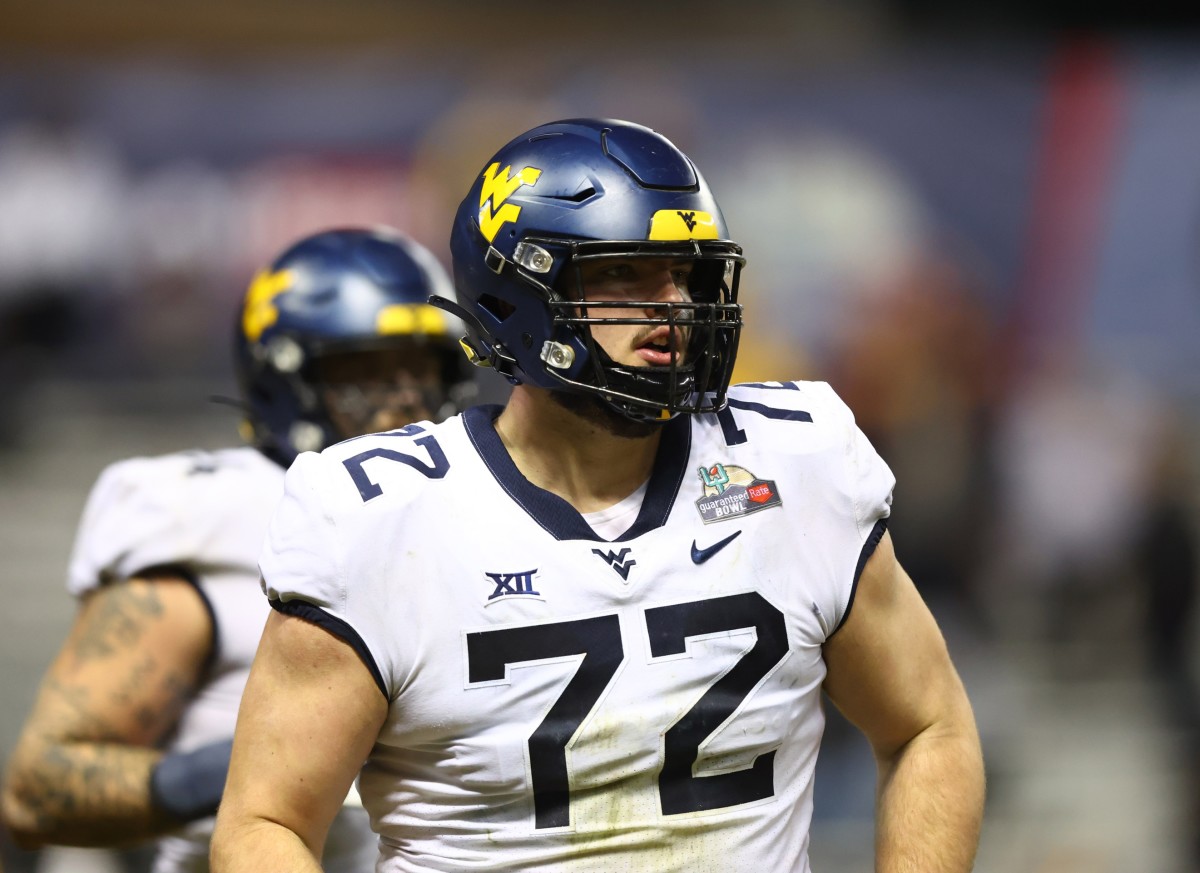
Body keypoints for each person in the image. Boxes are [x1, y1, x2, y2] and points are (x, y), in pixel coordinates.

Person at [211, 119, 986, 872]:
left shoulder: (795, 464)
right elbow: (266, 822)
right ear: (518, 293)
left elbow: (930, 726)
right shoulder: (381, 517)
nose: (675, 304)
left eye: (685, 271)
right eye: (624, 272)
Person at [1, 226, 476, 873]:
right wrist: (258, 762)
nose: (403, 397)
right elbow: (39, 786)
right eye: (364, 370)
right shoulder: (213, 516)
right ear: (286, 377)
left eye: (420, 367)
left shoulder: (480, 507)